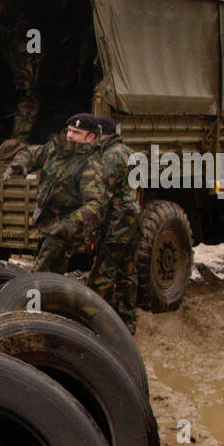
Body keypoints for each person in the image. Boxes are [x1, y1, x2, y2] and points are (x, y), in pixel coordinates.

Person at [3, 113, 106, 273]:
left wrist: (69, 224)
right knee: (50, 278)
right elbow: (32, 153)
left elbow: (94, 204)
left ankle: (36, 297)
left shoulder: (90, 165)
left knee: (40, 277)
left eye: (76, 133)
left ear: (90, 138)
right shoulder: (56, 149)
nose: (70, 136)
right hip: (46, 225)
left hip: (62, 233)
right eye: (69, 131)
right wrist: (19, 164)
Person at [87, 115, 141, 333]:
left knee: (102, 275)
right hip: (133, 220)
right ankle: (127, 323)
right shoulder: (128, 152)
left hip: (116, 223)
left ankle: (95, 327)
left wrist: (91, 230)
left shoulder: (108, 157)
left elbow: (101, 197)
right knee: (127, 274)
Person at [0, 0, 41, 141]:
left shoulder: (22, 21)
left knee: (28, 102)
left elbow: (32, 45)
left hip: (26, 74)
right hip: (13, 73)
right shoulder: (4, 22)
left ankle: (19, 140)